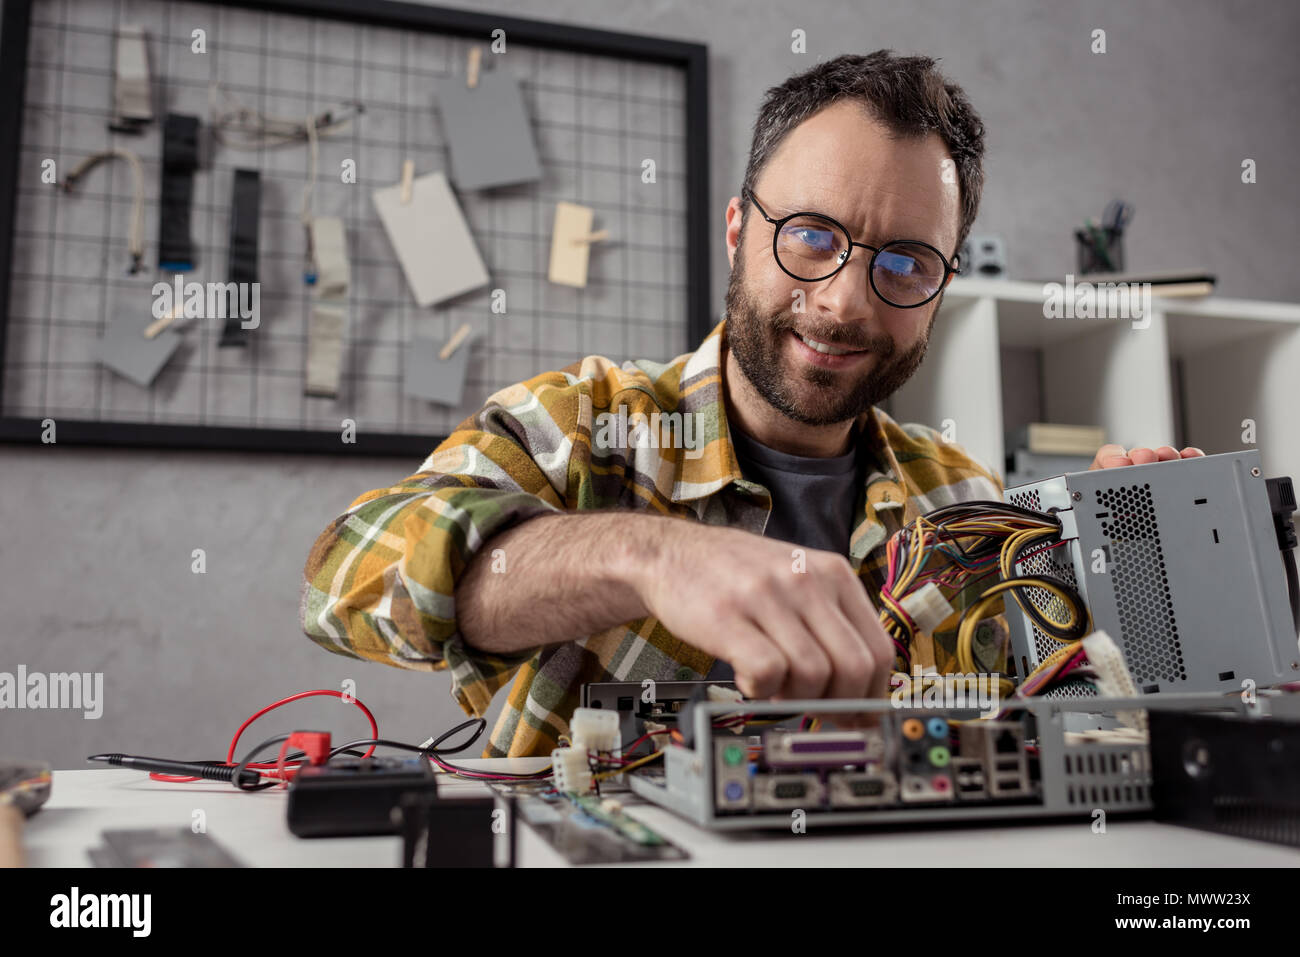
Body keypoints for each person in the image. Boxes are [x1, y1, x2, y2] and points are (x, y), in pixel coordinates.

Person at [299, 51, 1202, 757]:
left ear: (942, 287)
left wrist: (1120, 579)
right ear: (739, 232)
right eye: (812, 236)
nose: (846, 302)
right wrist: (643, 557)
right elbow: (342, 576)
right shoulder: (587, 427)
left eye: (904, 263)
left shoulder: (964, 501)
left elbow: (1067, 735)